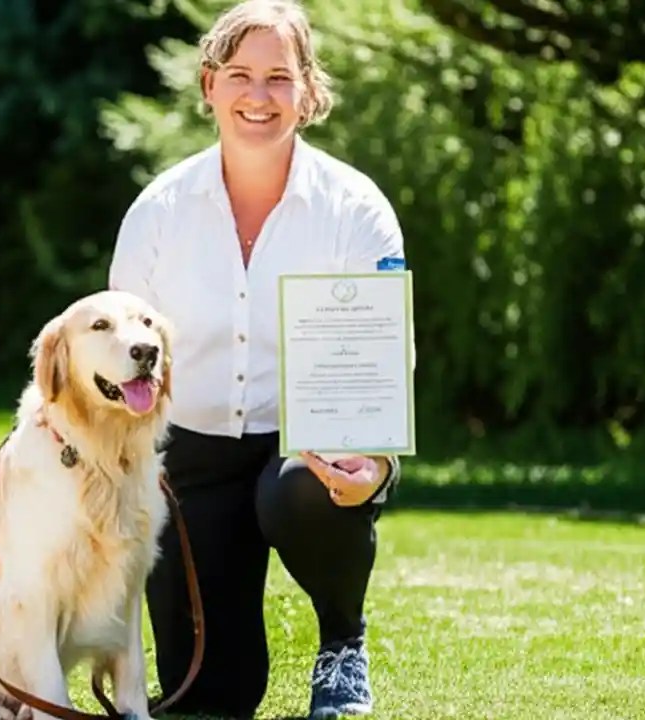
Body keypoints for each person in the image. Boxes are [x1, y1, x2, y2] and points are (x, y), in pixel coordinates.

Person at [107, 1, 407, 717]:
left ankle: (343, 642)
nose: (258, 96)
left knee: (299, 488)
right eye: (240, 74)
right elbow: (116, 366)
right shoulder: (158, 212)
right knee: (212, 698)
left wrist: (375, 465)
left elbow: (384, 362)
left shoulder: (356, 209)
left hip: (310, 449)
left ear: (307, 90)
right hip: (192, 462)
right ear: (209, 85)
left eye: (279, 76)